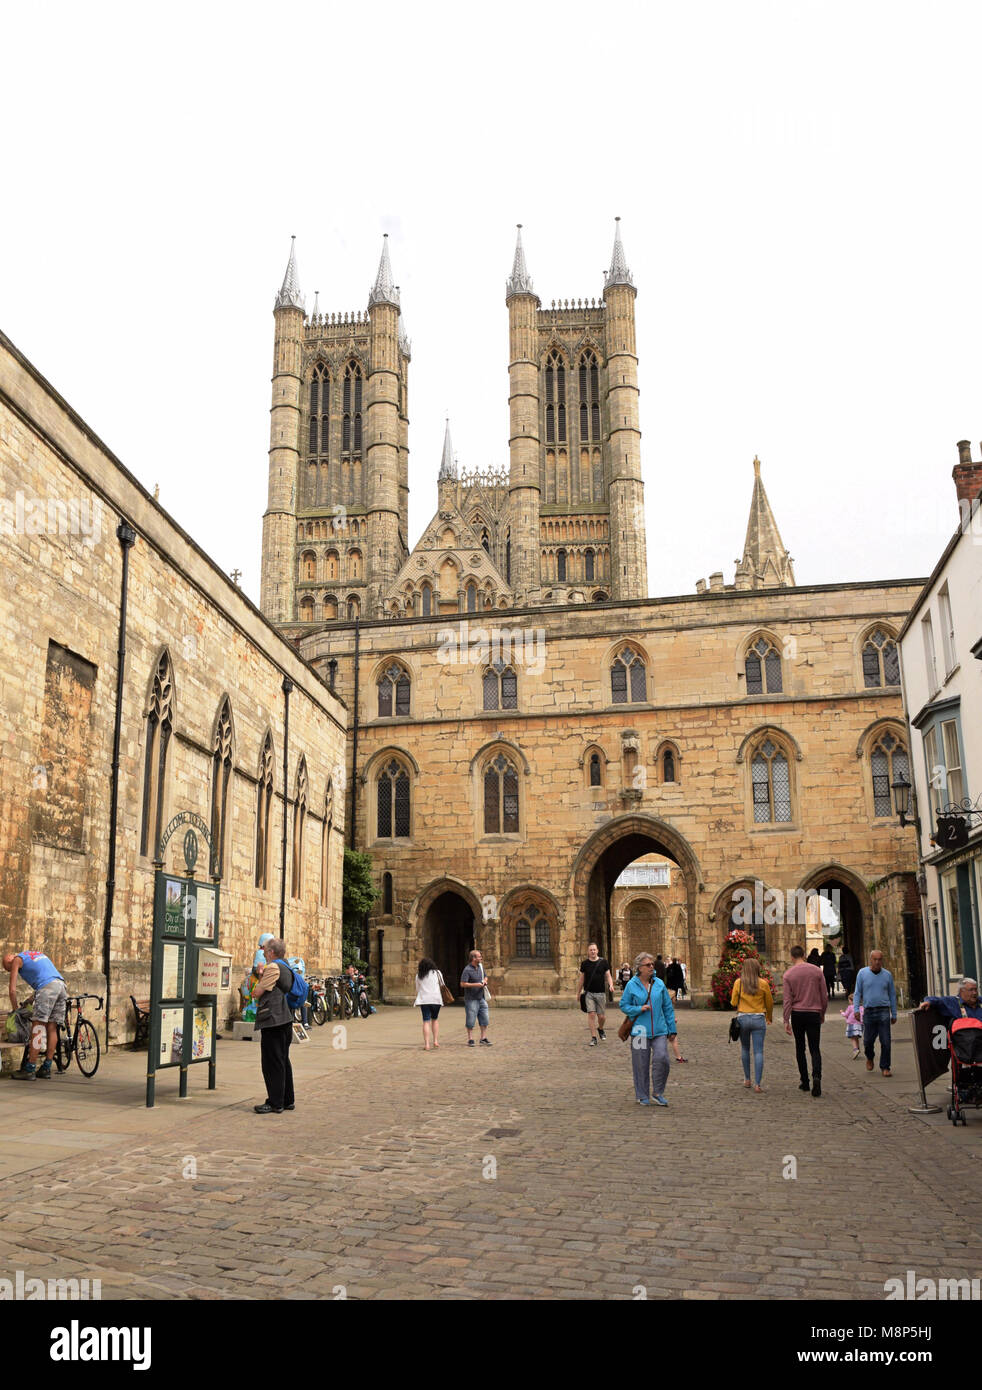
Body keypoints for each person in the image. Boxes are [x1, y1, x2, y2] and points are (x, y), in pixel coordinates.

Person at [619, 952, 678, 1107]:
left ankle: (658, 1092)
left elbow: (667, 1007)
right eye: (648, 965)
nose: (652, 967)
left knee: (662, 1058)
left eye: (652, 964)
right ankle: (642, 1094)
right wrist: (638, 1008)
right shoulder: (631, 985)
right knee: (640, 1063)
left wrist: (672, 1029)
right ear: (639, 968)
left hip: (659, 1030)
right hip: (639, 1031)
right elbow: (624, 1005)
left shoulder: (659, 984)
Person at [3, 949, 68, 1080]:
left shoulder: (17, 960)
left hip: (48, 988)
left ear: (9, 962)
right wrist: (30, 1000)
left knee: (37, 1027)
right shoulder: (32, 954)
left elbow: (12, 990)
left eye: (9, 969)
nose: (12, 971)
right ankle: (46, 1068)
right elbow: (47, 980)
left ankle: (30, 1069)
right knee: (52, 1028)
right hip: (61, 985)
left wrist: (16, 1012)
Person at [251, 937, 296, 1114]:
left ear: (271, 952)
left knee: (272, 1062)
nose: (262, 952)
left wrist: (261, 974)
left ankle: (275, 1102)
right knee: (283, 1060)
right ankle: (287, 1099)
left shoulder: (273, 967)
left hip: (274, 1020)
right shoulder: (286, 965)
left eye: (264, 950)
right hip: (285, 1019)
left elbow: (257, 992)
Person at [783, 944, 828, 1097]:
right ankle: (817, 1076)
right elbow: (824, 995)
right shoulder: (816, 971)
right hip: (813, 1012)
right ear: (804, 955)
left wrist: (785, 1020)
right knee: (815, 1048)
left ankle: (805, 1081)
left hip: (797, 1014)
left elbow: (787, 1000)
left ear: (792, 957)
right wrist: (822, 1012)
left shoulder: (788, 975)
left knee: (800, 1048)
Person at [730, 956, 773, 1091]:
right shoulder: (763, 983)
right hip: (758, 1018)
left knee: (745, 1049)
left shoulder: (739, 982)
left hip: (743, 1018)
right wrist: (769, 1017)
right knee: (758, 1051)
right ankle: (758, 1084)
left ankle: (747, 1079)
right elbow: (770, 1003)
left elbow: (733, 1002)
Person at [853, 949, 897, 1077]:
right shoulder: (862, 973)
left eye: (880, 959)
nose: (877, 962)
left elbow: (892, 995)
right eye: (875, 959)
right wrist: (856, 1009)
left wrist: (894, 1013)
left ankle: (885, 1067)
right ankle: (870, 1057)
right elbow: (857, 993)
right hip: (869, 1011)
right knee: (868, 1041)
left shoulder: (887, 975)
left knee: (886, 1041)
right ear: (870, 960)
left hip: (883, 1010)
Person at [576, 942, 614, 1045]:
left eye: (594, 949)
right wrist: (578, 993)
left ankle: (600, 1028)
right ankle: (593, 1037)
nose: (592, 951)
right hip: (589, 993)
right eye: (590, 950)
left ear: (597, 951)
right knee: (591, 1014)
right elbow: (581, 979)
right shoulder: (585, 964)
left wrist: (611, 985)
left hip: (601, 993)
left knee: (601, 1017)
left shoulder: (603, 962)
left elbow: (608, 975)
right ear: (588, 952)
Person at [414, 957, 447, 1051]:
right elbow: (442, 985)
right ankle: (436, 1040)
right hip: (436, 1000)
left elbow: (417, 989)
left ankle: (427, 1044)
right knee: (435, 1019)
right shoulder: (437, 973)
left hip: (424, 1000)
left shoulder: (419, 975)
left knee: (426, 1021)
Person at [460, 949, 491, 1046]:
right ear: (473, 958)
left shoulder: (481, 967)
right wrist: (476, 985)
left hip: (481, 998)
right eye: (479, 956)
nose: (481, 958)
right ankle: (470, 1039)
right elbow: (462, 984)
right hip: (471, 999)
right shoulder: (467, 970)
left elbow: (485, 977)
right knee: (471, 1020)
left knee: (485, 1018)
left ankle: (483, 1038)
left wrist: (484, 981)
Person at [917, 977, 982, 1022]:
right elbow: (935, 999)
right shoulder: (953, 1002)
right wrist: (929, 1002)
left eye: (975, 989)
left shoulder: (980, 1000)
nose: (975, 993)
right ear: (962, 991)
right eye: (971, 990)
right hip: (967, 1040)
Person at [841, 993, 863, 1059]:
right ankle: (858, 1048)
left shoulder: (850, 1007)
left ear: (851, 1001)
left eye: (849, 1000)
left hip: (852, 1025)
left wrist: (842, 1012)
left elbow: (846, 1015)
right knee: (856, 1037)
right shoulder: (862, 1007)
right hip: (860, 1025)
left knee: (852, 1038)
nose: (849, 1002)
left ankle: (855, 1049)